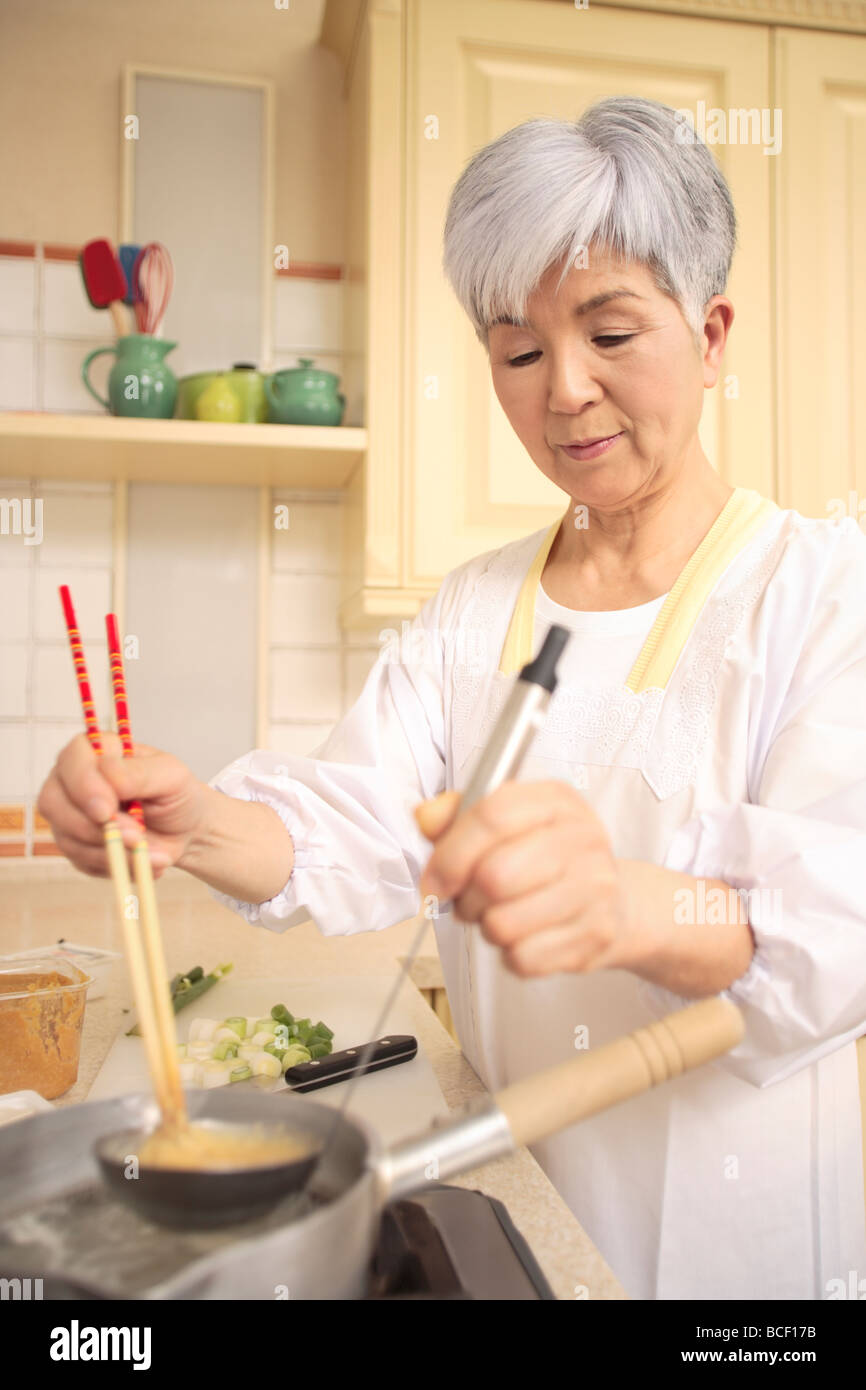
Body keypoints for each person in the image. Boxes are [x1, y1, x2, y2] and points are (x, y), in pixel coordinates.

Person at [38, 95, 866, 1300]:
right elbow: (357, 827)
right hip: (515, 1199)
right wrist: (196, 822)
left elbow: (833, 929)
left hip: (740, 1258)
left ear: (712, 331)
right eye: (518, 352)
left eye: (610, 334)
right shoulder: (477, 607)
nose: (565, 391)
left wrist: (623, 904)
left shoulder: (820, 592)